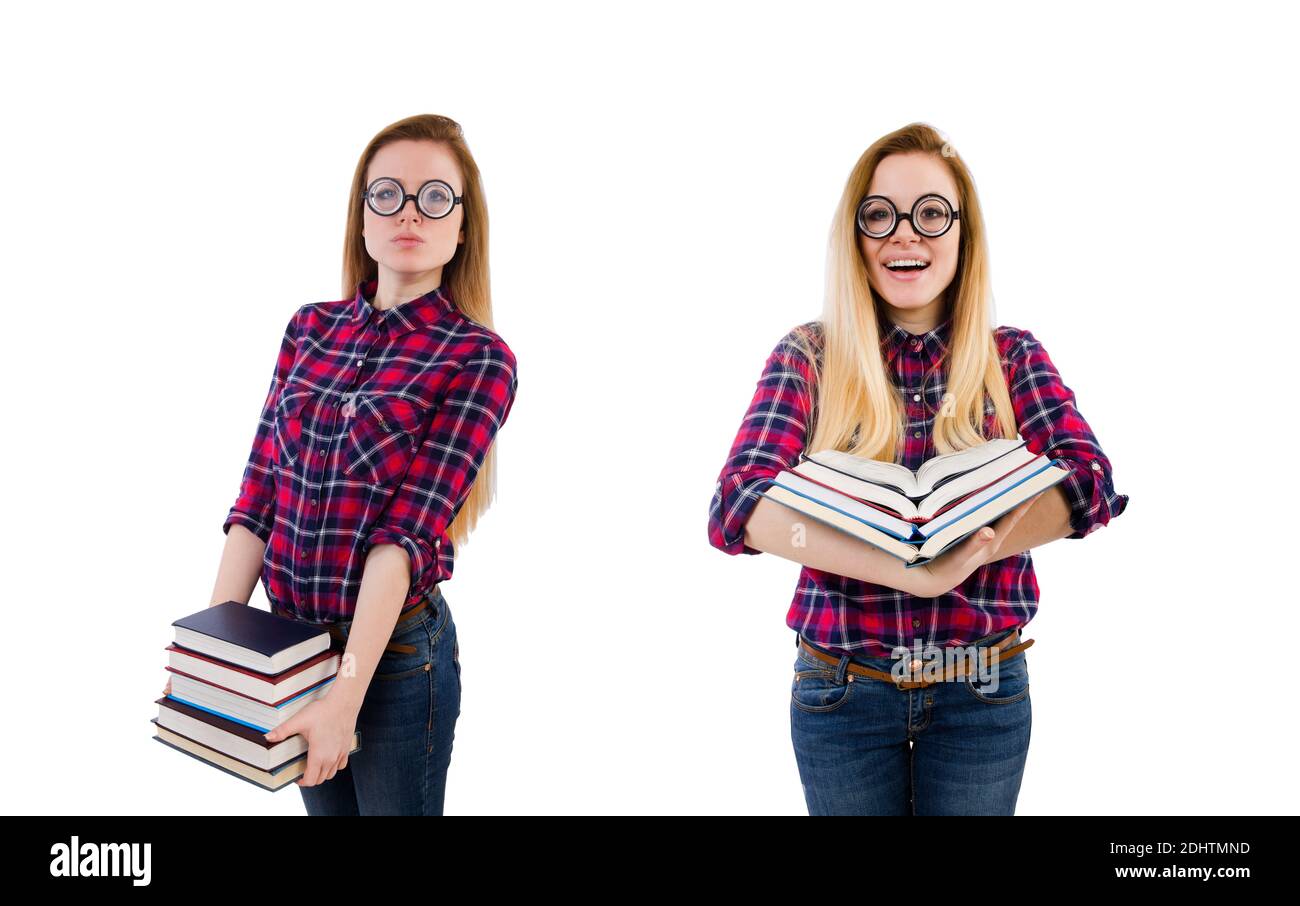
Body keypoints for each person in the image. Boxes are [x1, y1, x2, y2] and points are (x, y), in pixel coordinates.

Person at [707, 122, 1128, 815]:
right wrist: (911, 570)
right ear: (857, 237)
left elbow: (1088, 483)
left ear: (964, 234)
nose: (907, 234)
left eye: (932, 213)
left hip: (982, 689)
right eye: (881, 215)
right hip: (842, 691)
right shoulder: (809, 356)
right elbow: (739, 508)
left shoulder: (1013, 357)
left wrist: (966, 553)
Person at [170, 113, 518, 815]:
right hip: (290, 648)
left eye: (435, 196)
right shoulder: (309, 329)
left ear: (462, 228)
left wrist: (343, 697)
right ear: (361, 217)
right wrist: (217, 651)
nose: (409, 212)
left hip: (390, 664)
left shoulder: (478, 359)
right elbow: (257, 500)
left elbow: (402, 537)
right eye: (386, 193)